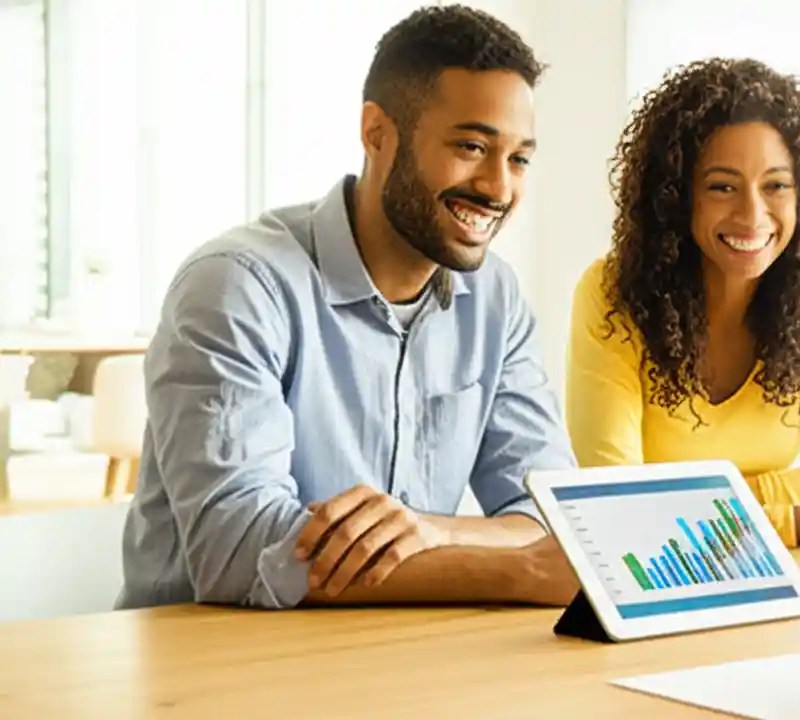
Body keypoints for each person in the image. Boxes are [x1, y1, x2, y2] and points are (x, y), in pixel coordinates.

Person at [117, 5, 579, 610]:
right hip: (209, 674)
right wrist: (512, 573)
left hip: (393, 662)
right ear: (377, 134)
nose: (499, 187)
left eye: (519, 159)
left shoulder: (495, 297)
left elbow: (554, 515)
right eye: (471, 146)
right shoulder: (238, 286)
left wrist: (435, 528)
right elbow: (237, 550)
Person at [566, 58, 800, 551]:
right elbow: (619, 502)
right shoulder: (613, 294)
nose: (752, 216)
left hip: (779, 572)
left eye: (776, 186)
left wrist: (693, 507)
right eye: (722, 187)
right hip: (657, 574)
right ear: (676, 196)